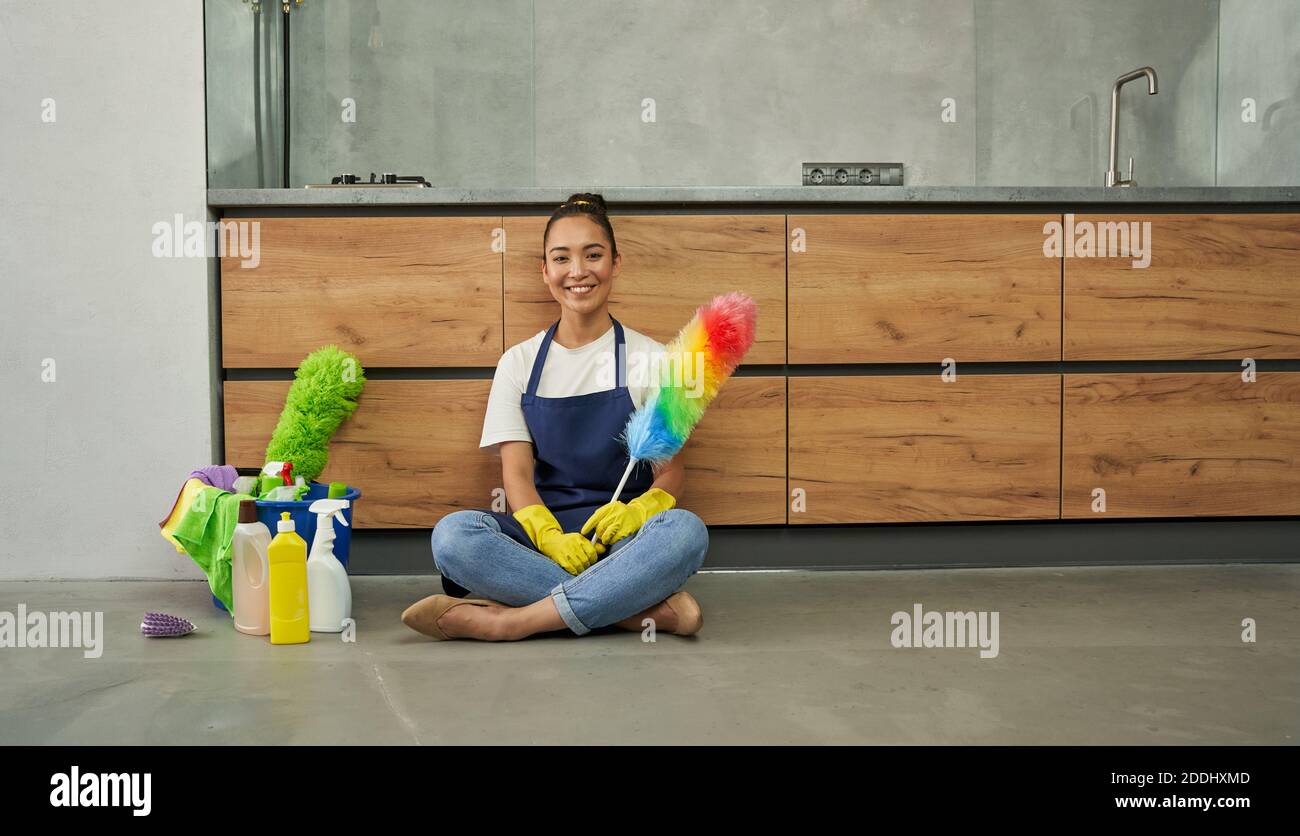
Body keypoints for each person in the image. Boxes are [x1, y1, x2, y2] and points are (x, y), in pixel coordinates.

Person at [401, 193, 709, 641]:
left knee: (685, 532)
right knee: (453, 537)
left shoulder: (652, 359)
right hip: (540, 542)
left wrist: (640, 509)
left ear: (616, 264)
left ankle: (513, 621)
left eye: (593, 255)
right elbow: (518, 479)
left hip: (622, 542)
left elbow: (670, 475)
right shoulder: (519, 363)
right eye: (561, 258)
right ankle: (636, 608)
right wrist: (549, 536)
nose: (578, 272)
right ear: (545, 271)